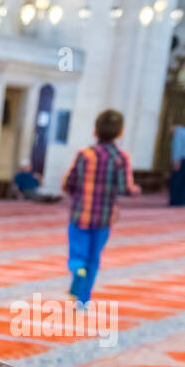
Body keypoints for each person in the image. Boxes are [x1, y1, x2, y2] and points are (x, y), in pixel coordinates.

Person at [62, 109, 138, 306]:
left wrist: (75, 193)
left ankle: (77, 271)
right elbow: (125, 188)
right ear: (120, 132)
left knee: (78, 255)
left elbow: (70, 182)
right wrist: (135, 189)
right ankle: (83, 299)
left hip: (80, 214)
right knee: (94, 258)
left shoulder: (85, 155)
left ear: (95, 131)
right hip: (104, 217)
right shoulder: (122, 158)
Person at [168, 119, 185, 207]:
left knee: (177, 182)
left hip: (181, 160)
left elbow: (177, 147)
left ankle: (175, 201)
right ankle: (184, 200)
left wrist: (176, 160)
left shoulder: (178, 132)